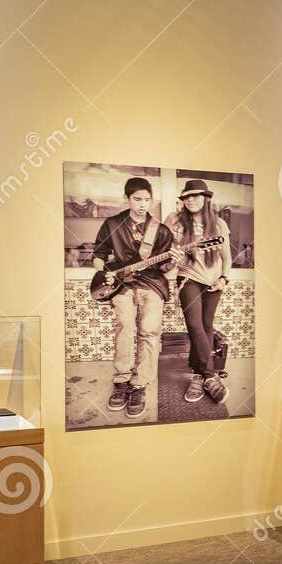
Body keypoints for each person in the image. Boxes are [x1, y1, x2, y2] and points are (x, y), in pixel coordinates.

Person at [91, 175, 175, 419]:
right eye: (137, 199)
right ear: (126, 199)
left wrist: (174, 262)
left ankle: (139, 385)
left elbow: (165, 268)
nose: (142, 204)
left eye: (147, 200)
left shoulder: (161, 230)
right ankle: (122, 380)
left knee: (149, 333)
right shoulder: (112, 224)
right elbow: (99, 253)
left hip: (152, 284)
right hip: (120, 285)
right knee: (124, 328)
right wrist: (102, 273)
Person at [166, 178, 234, 405]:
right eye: (186, 197)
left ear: (206, 199)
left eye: (195, 196)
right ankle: (209, 375)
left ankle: (197, 374)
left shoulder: (219, 224)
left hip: (214, 281)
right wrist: (174, 256)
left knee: (206, 326)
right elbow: (166, 251)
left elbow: (227, 257)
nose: (190, 200)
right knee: (195, 326)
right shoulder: (174, 220)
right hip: (188, 277)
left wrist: (224, 279)